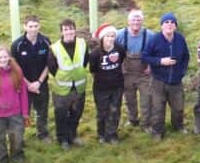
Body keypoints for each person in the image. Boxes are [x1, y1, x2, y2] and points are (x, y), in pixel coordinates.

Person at [142, 12, 190, 139]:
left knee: (178, 107)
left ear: (175, 26)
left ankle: (178, 126)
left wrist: (182, 72)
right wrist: (160, 61)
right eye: (166, 22)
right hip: (158, 81)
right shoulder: (155, 40)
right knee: (158, 108)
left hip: (176, 81)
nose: (169, 24)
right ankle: (157, 131)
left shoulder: (180, 39)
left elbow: (186, 57)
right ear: (162, 25)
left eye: (172, 22)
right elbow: (145, 56)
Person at [47, 19, 89, 149]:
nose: (69, 32)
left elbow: (85, 61)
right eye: (66, 29)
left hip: (79, 87)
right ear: (61, 32)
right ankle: (62, 139)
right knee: (61, 115)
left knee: (76, 113)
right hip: (62, 89)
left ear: (75, 30)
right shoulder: (54, 48)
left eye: (71, 29)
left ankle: (73, 135)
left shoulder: (82, 44)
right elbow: (52, 67)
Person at [11, 16, 52, 142]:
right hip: (23, 85)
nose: (33, 29)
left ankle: (43, 134)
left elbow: (49, 64)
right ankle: (19, 138)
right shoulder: (17, 45)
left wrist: (39, 82)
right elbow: (15, 68)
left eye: (35, 26)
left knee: (42, 111)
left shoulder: (46, 42)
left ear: (39, 26)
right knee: (22, 112)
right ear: (25, 27)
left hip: (41, 84)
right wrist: (28, 84)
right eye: (30, 26)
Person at [116, 10, 154, 129]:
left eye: (138, 20)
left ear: (142, 21)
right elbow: (112, 51)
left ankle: (145, 124)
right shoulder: (119, 35)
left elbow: (156, 52)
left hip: (144, 74)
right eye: (133, 20)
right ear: (128, 21)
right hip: (127, 73)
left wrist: (151, 66)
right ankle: (132, 120)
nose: (136, 22)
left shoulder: (150, 35)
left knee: (146, 99)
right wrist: (119, 67)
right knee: (129, 99)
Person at [89, 24, 125, 144]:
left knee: (115, 110)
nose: (110, 39)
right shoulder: (95, 54)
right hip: (101, 88)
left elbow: (121, 61)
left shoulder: (120, 49)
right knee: (102, 112)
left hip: (117, 86)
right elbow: (93, 70)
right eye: (107, 36)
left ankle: (112, 134)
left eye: (112, 36)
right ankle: (101, 133)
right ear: (102, 38)